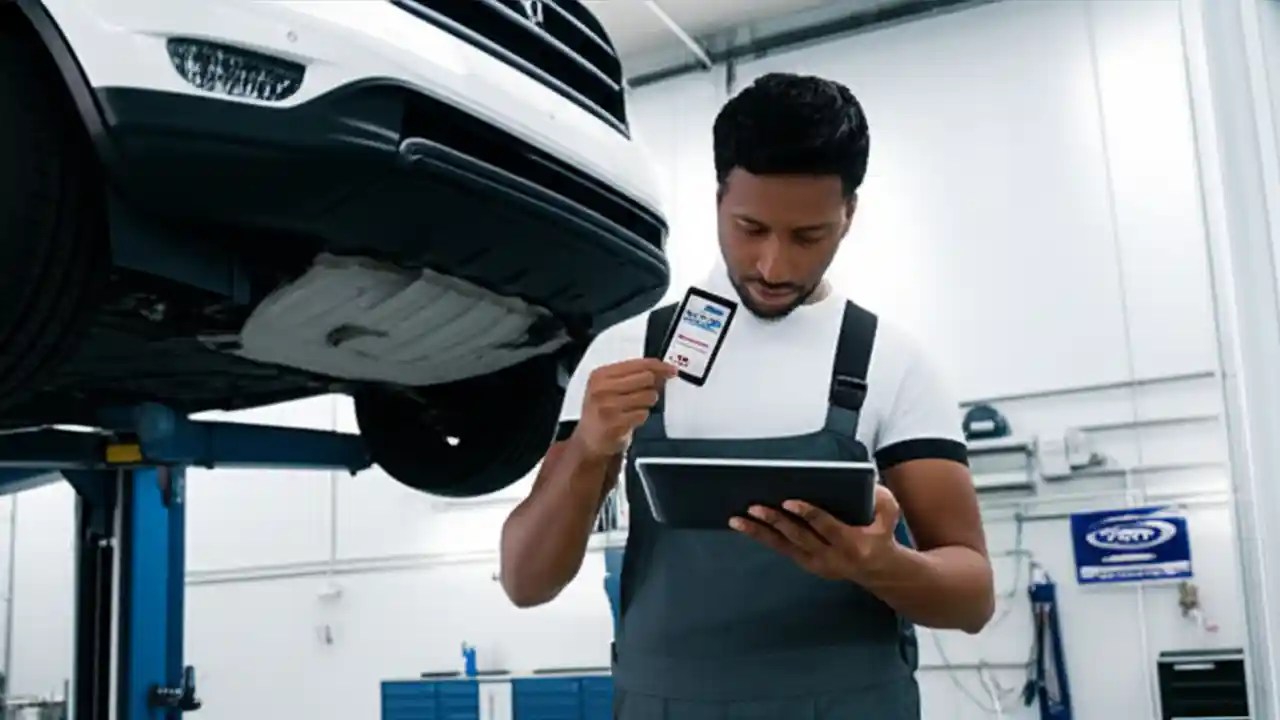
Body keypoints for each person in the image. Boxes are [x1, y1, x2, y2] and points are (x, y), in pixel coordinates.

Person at [498, 72, 995, 719]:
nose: (773, 266)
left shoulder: (891, 363)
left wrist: (880, 565)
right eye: (750, 227)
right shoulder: (625, 354)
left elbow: (974, 597)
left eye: (808, 236)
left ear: (849, 214)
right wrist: (590, 452)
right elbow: (525, 581)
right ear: (717, 201)